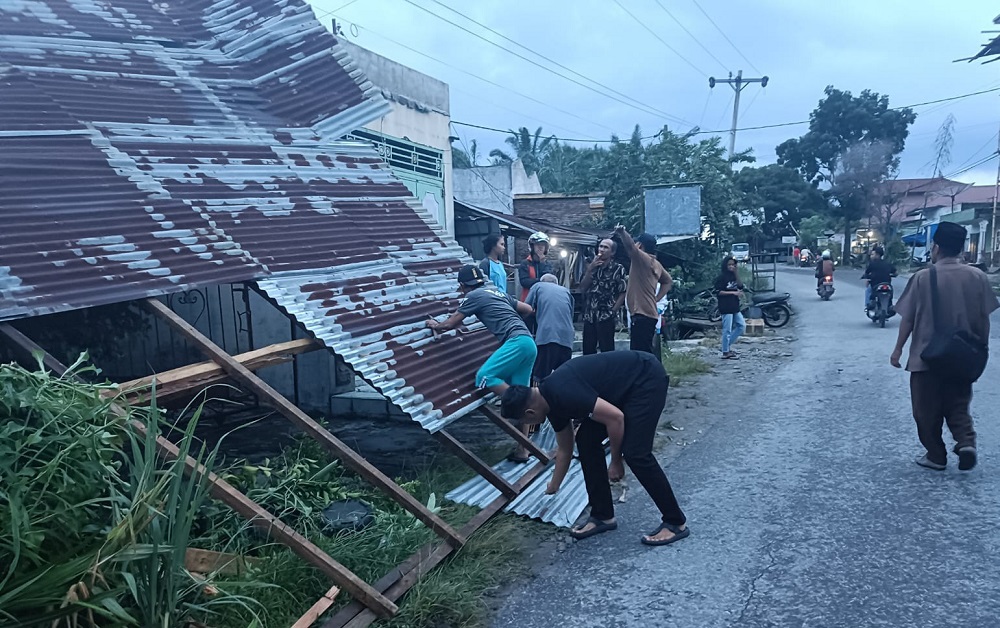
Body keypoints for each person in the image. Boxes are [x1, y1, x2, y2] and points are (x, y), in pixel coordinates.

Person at [500, 351, 689, 545]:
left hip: (645, 377)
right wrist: (555, 485)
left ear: (530, 412)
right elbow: (565, 448)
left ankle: (675, 522)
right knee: (586, 440)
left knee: (636, 453)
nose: (526, 425)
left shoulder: (563, 392)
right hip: (620, 388)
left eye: (523, 421)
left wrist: (616, 461)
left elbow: (616, 419)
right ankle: (603, 515)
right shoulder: (548, 402)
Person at [890, 222, 999, 471]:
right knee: (958, 403)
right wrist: (981, 348)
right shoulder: (978, 277)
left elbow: (908, 319)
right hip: (963, 354)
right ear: (961, 248)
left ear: (936, 247)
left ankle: (936, 455)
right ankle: (966, 441)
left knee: (925, 410)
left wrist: (898, 350)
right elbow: (984, 318)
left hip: (926, 356)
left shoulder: (923, 277)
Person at [427, 265, 535, 397]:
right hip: (529, 343)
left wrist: (436, 325)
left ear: (462, 286)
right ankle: (522, 405)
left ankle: (515, 400)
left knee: (485, 376)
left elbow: (450, 323)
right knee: (520, 390)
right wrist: (515, 322)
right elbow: (528, 309)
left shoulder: (473, 296)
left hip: (516, 342)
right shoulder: (498, 293)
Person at [615, 225, 672, 354]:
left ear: (640, 245)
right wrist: (655, 299)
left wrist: (622, 232)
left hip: (642, 315)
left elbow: (630, 246)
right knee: (644, 351)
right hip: (647, 314)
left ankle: (650, 368)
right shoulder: (655, 263)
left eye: (637, 243)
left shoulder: (642, 259)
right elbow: (668, 281)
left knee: (640, 354)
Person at [579, 238, 627, 354]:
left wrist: (613, 311)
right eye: (601, 246)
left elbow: (623, 292)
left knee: (607, 351)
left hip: (606, 315)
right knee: (588, 351)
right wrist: (590, 269)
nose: (602, 249)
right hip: (590, 315)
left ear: (612, 252)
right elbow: (583, 288)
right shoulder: (592, 266)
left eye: (606, 247)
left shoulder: (618, 268)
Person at [525, 274, 575, 384]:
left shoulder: (538, 286)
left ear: (543, 281)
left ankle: (538, 393)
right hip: (567, 337)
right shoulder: (565, 291)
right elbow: (570, 315)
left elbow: (526, 309)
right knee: (563, 377)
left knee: (539, 376)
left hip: (548, 335)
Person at [714, 256, 746, 360]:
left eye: (733, 264)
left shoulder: (734, 276)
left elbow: (740, 286)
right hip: (725, 305)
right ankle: (725, 351)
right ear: (725, 265)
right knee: (727, 329)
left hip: (735, 305)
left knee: (741, 325)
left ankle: (726, 346)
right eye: (729, 265)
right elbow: (718, 292)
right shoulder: (721, 277)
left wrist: (736, 273)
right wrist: (733, 293)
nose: (731, 266)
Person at [518, 232, 554, 301]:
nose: (540, 247)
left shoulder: (548, 264)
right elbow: (524, 282)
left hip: (543, 299)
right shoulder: (525, 263)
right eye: (538, 244)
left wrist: (542, 263)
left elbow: (549, 280)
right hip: (528, 300)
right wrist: (540, 280)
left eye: (543, 245)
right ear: (532, 246)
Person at [862, 245, 896, 312]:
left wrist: (867, 278)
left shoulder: (872, 264)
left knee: (868, 290)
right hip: (887, 284)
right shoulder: (887, 263)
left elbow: (867, 273)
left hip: (875, 284)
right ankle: (890, 305)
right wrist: (892, 275)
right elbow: (895, 273)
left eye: (873, 254)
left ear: (877, 255)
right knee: (890, 293)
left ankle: (868, 305)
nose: (871, 256)